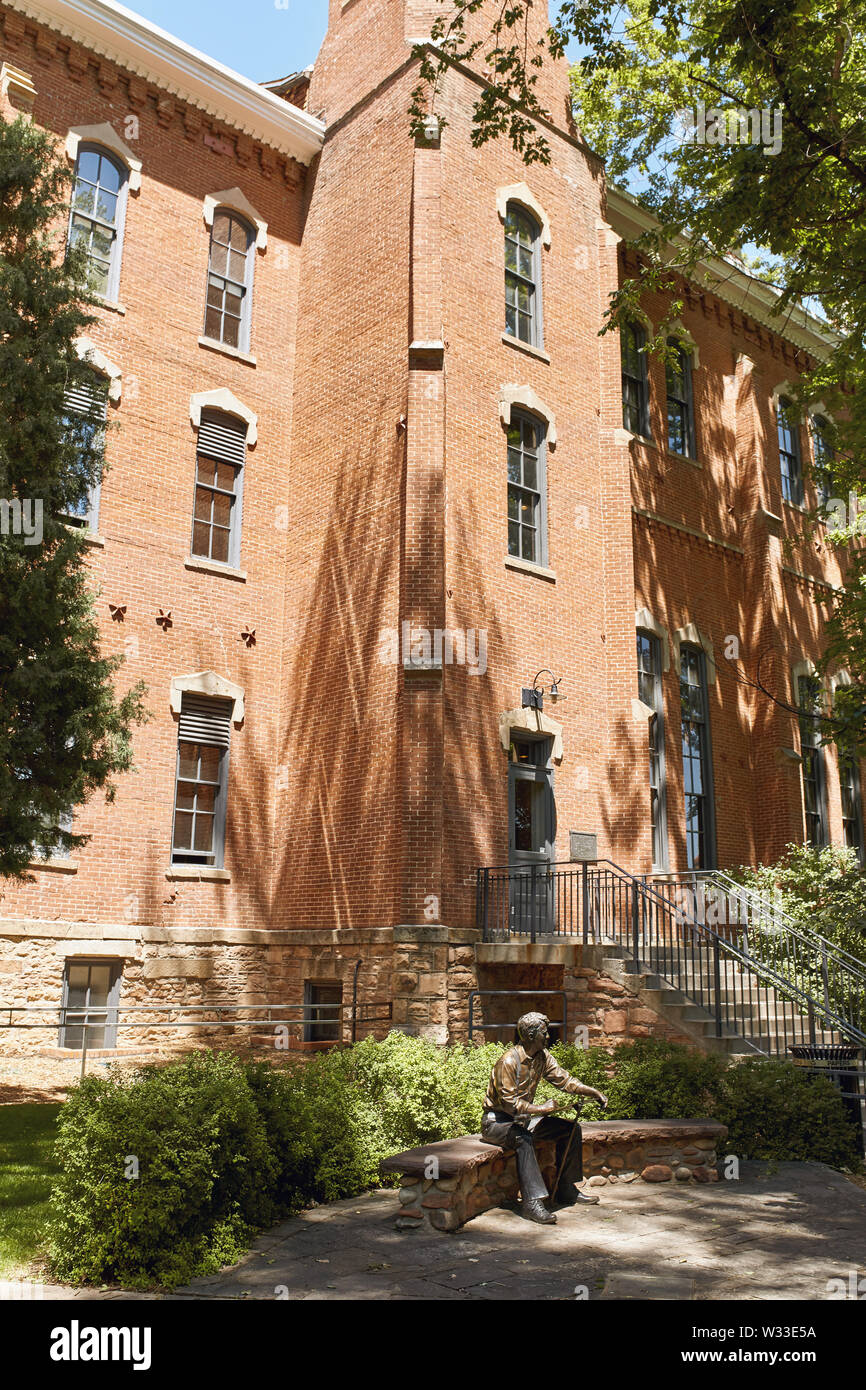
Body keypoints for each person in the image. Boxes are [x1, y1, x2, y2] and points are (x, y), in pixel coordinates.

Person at [481, 1011, 608, 1224]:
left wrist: (593, 1092)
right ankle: (531, 1204)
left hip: (522, 1120)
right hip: (497, 1122)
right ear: (531, 1035)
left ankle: (566, 1189)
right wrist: (541, 1109)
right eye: (544, 1032)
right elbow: (509, 1105)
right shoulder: (508, 1062)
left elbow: (566, 1080)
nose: (548, 1036)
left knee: (570, 1130)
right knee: (523, 1138)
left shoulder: (542, 1056)